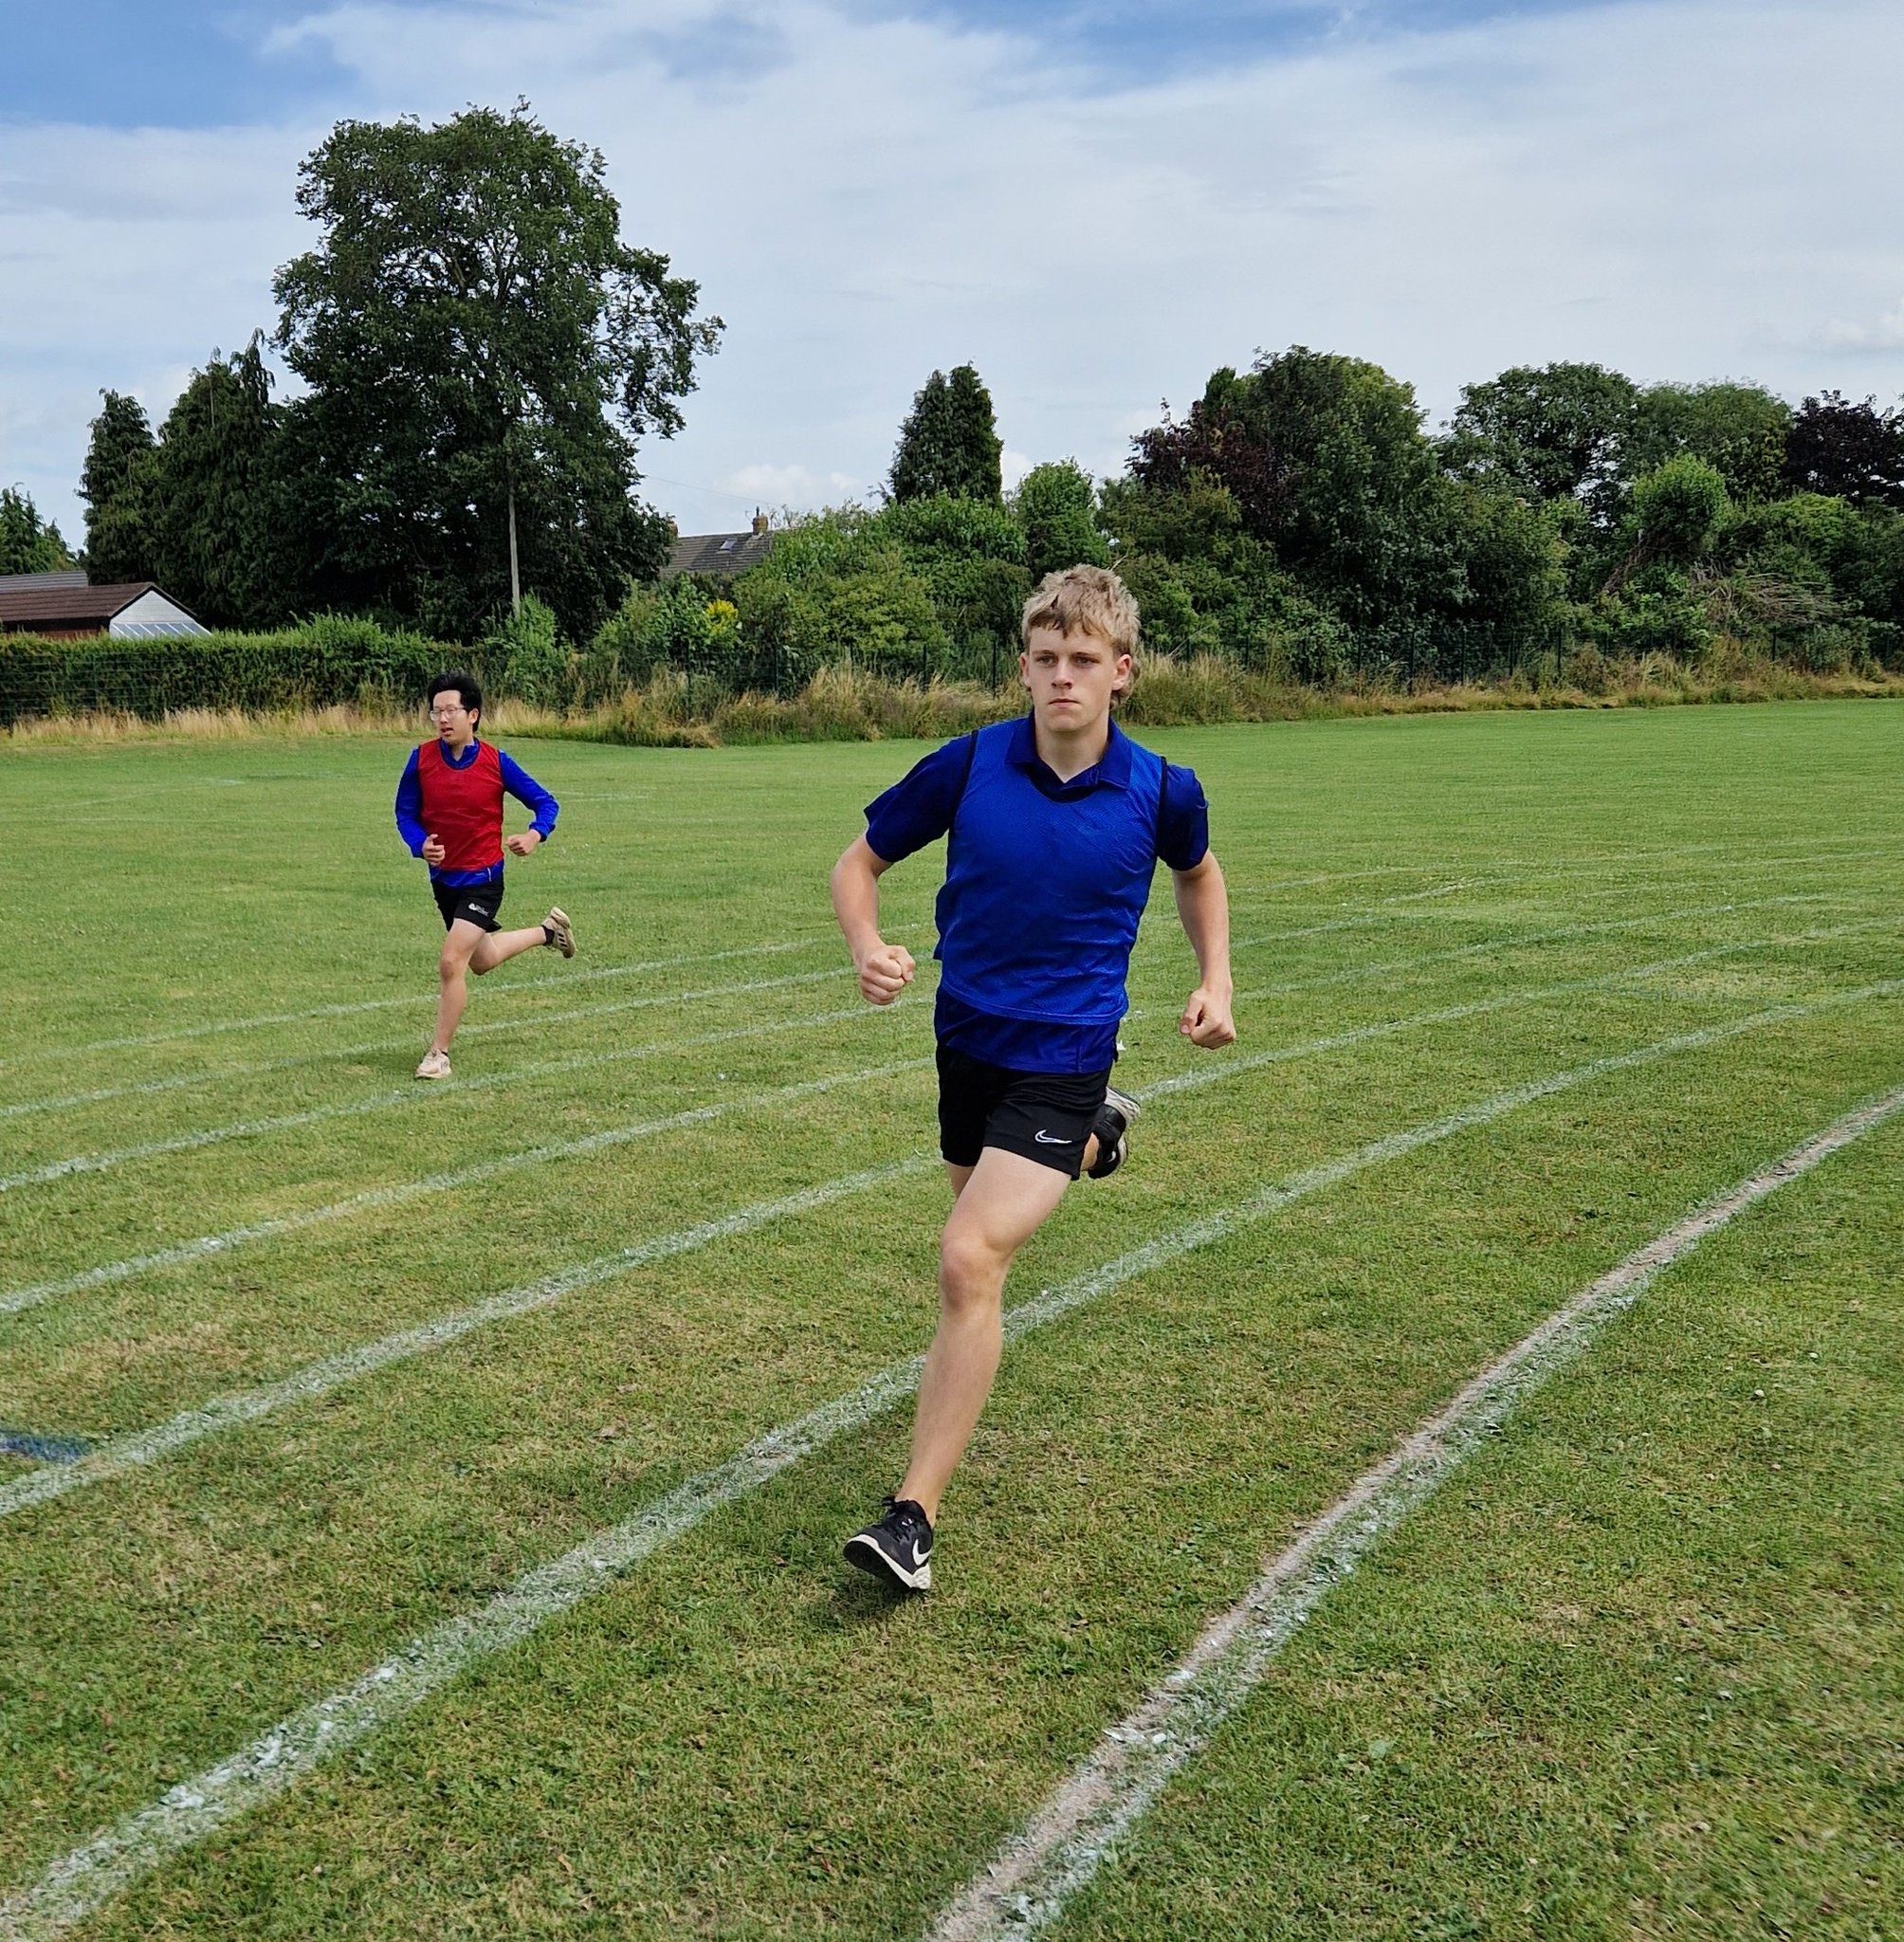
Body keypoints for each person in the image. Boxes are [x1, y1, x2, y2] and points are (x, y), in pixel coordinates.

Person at [831, 565, 1236, 1593]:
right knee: (976, 1216)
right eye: (1047, 658)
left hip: (1065, 1050)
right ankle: (1097, 1136)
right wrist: (867, 945)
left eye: (1084, 660)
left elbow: (1198, 872)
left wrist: (1216, 977)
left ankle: (913, 1519)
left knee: (969, 1259)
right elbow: (857, 864)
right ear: (1023, 668)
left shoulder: (1162, 788)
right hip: (967, 1041)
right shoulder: (968, 764)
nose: (1063, 676)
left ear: (1121, 673)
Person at [394, 672, 576, 1080]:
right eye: (436, 712)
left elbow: (546, 803)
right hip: (444, 881)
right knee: (482, 959)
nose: (443, 719)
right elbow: (405, 813)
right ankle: (548, 933)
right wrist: (420, 844)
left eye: (450, 711)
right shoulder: (420, 760)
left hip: (484, 878)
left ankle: (438, 1055)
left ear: (472, 715)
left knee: (451, 962)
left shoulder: (496, 762)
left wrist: (534, 834)